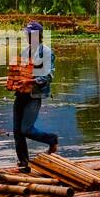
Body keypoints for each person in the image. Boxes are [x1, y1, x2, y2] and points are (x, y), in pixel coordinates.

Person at [13, 21, 57, 171]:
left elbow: (49, 76)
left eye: (29, 34)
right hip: (21, 94)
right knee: (17, 132)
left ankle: (51, 139)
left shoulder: (46, 52)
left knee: (26, 129)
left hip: (34, 95)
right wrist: (14, 82)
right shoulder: (24, 52)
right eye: (26, 34)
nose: (27, 36)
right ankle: (24, 164)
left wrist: (30, 81)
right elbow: (19, 72)